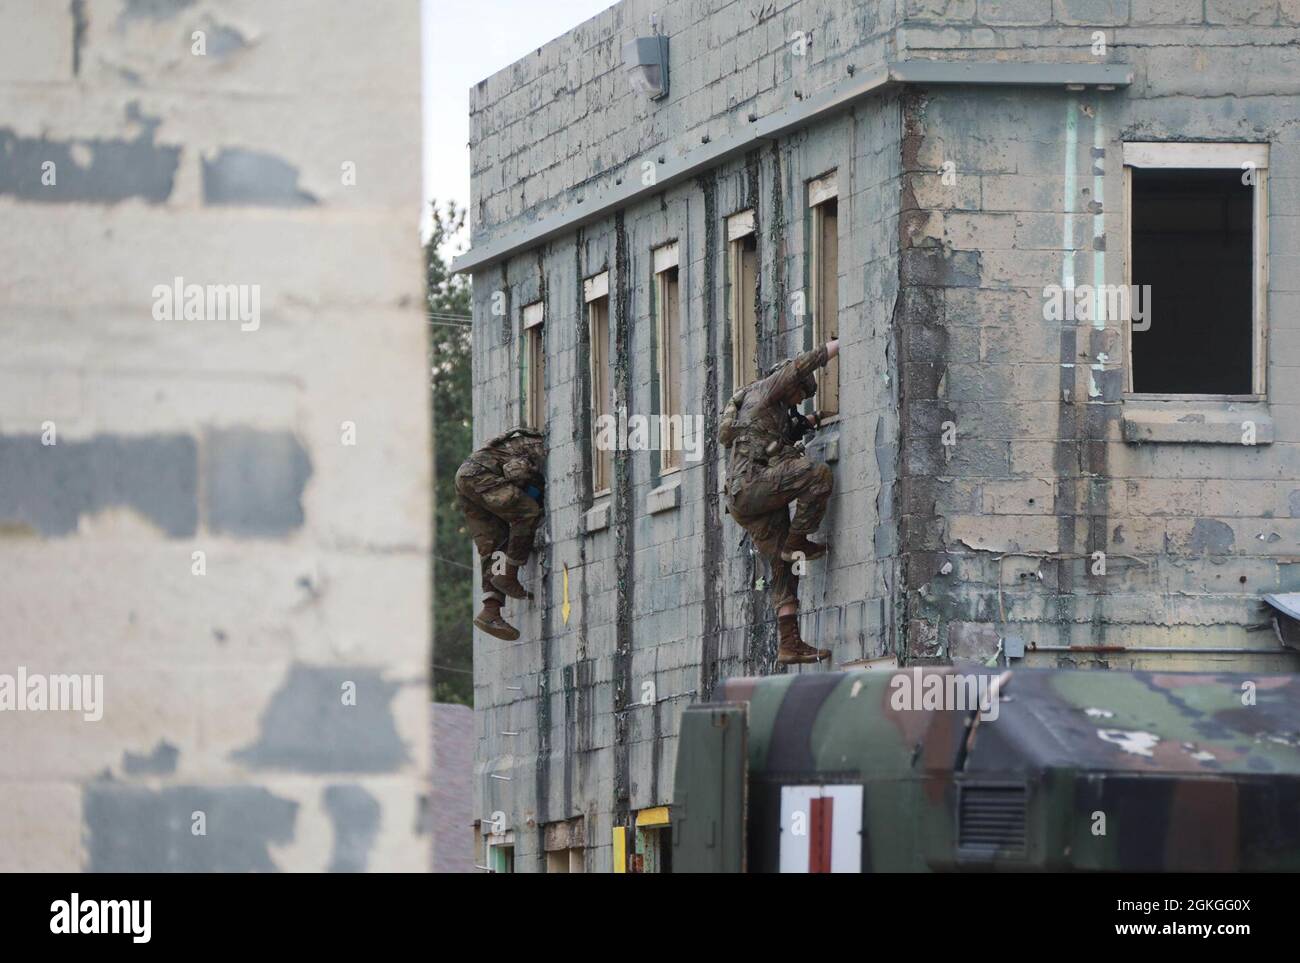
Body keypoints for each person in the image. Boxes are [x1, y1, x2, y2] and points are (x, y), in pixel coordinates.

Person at [720, 340, 839, 664]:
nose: (801, 400)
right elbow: (799, 367)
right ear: (790, 385)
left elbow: (787, 432)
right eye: (801, 393)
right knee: (817, 475)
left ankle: (789, 644)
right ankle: (798, 539)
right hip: (753, 487)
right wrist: (837, 347)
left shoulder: (770, 409)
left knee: (783, 569)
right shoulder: (768, 389)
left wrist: (814, 420)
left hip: (744, 501)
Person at [454, 427, 545, 641]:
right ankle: (509, 573)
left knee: (494, 543)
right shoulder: (539, 445)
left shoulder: (516, 444)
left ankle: (491, 611)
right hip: (479, 476)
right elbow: (517, 472)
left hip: (466, 478)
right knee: (527, 512)